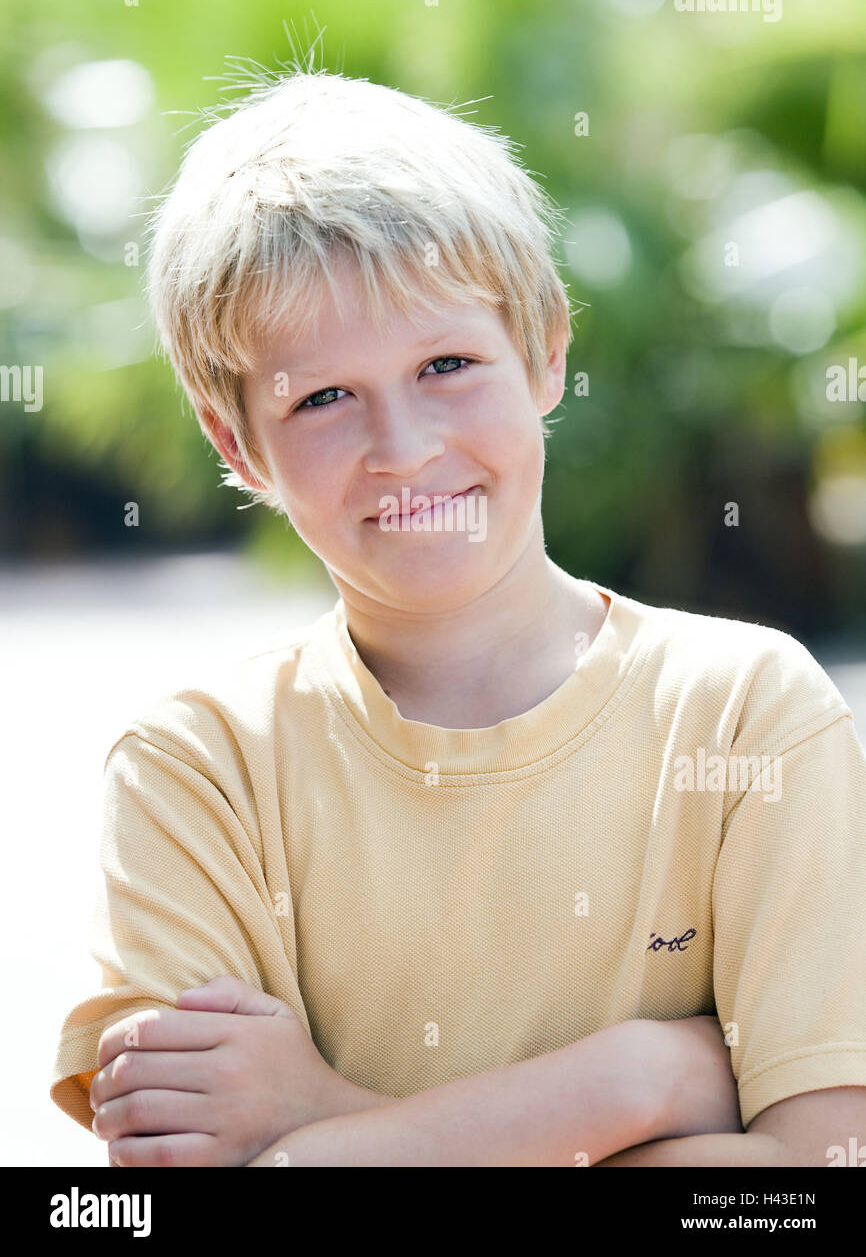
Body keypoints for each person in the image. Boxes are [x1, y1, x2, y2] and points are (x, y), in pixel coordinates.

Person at [49, 67, 866, 1167]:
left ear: (543, 351)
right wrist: (640, 1083)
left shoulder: (744, 719)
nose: (402, 447)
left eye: (446, 363)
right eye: (321, 397)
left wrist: (320, 1125)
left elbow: (811, 1176)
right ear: (236, 442)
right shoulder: (197, 772)